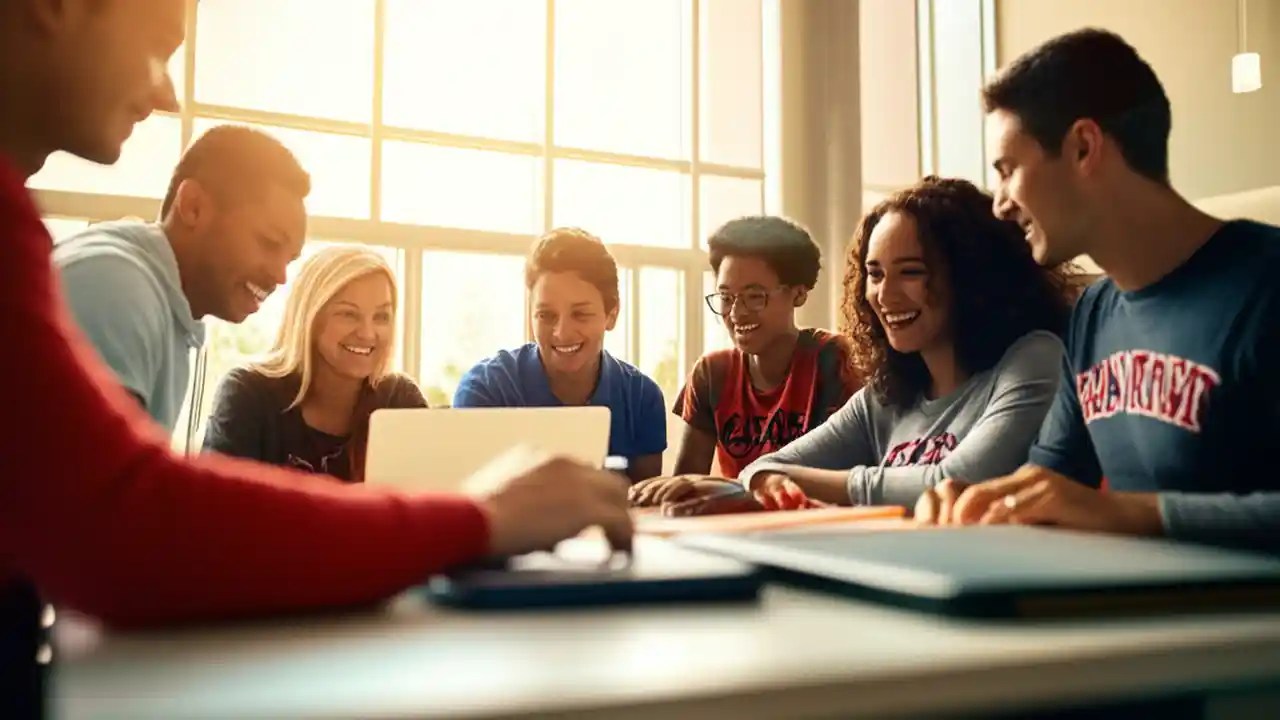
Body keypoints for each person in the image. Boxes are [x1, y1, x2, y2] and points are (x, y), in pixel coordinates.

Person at [0, 2, 629, 716]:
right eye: (155, 48)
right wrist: (479, 518)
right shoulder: (117, 282)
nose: (167, 93)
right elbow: (119, 526)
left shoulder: (166, 304)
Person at [915, 29, 1280, 552]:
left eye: (1008, 170)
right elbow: (1052, 483)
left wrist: (1129, 512)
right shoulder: (1092, 314)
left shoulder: (1267, 283)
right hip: (1129, 622)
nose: (999, 204)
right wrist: (979, 502)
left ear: (1084, 147)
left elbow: (1099, 507)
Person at [633, 178, 1073, 511]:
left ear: (971, 274)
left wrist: (809, 483)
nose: (886, 294)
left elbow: (957, 484)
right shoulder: (886, 396)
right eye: (876, 274)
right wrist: (765, 480)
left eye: (912, 272)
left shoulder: (1033, 358)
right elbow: (762, 469)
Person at [53, 124, 309, 433]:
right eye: (269, 242)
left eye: (290, 259)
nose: (280, 276)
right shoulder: (116, 289)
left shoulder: (161, 300)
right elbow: (100, 476)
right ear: (193, 207)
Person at [638, 216, 860, 505]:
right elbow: (686, 485)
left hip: (811, 527)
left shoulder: (833, 359)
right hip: (737, 529)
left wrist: (718, 488)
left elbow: (832, 481)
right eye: (726, 297)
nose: (737, 313)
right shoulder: (712, 373)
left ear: (798, 294)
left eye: (755, 297)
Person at [453, 228, 667, 483]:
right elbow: (472, 505)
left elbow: (644, 507)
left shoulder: (641, 398)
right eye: (546, 315)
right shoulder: (487, 389)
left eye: (580, 314)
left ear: (612, 314)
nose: (561, 333)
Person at [204, 246, 427, 483]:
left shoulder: (400, 399)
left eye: (381, 317)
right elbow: (216, 508)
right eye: (348, 314)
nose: (367, 333)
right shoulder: (248, 394)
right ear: (309, 319)